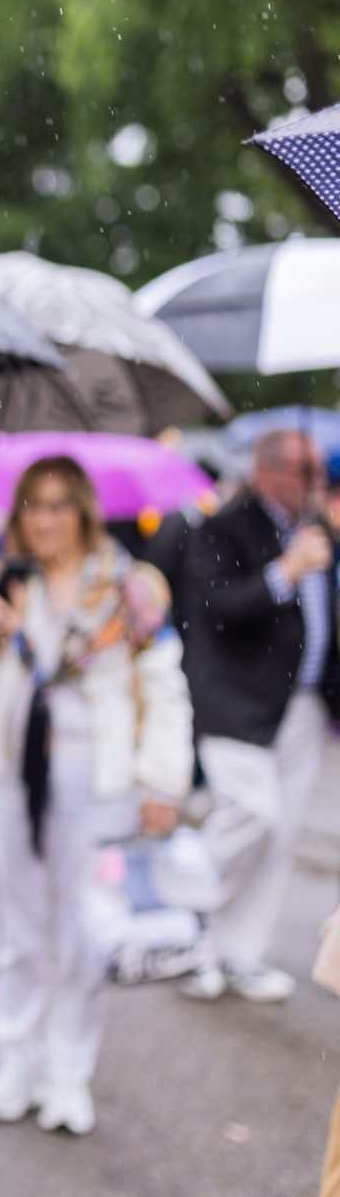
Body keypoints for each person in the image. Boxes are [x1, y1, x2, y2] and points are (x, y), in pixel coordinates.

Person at [0, 457, 191, 1136]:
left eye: (59, 504)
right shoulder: (7, 580)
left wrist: (164, 781)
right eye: (33, 505)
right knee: (22, 925)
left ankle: (67, 1072)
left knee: (85, 930)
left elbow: (166, 685)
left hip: (97, 781)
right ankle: (15, 1061)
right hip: (12, 777)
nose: (45, 518)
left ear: (83, 509)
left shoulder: (131, 588)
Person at [178, 428, 340, 1003]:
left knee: (280, 835)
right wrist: (286, 571)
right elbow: (214, 609)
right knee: (254, 815)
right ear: (272, 471)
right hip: (237, 700)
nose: (319, 485)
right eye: (310, 473)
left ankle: (238, 953)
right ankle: (183, 908)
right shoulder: (225, 525)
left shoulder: (318, 529)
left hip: (307, 701)